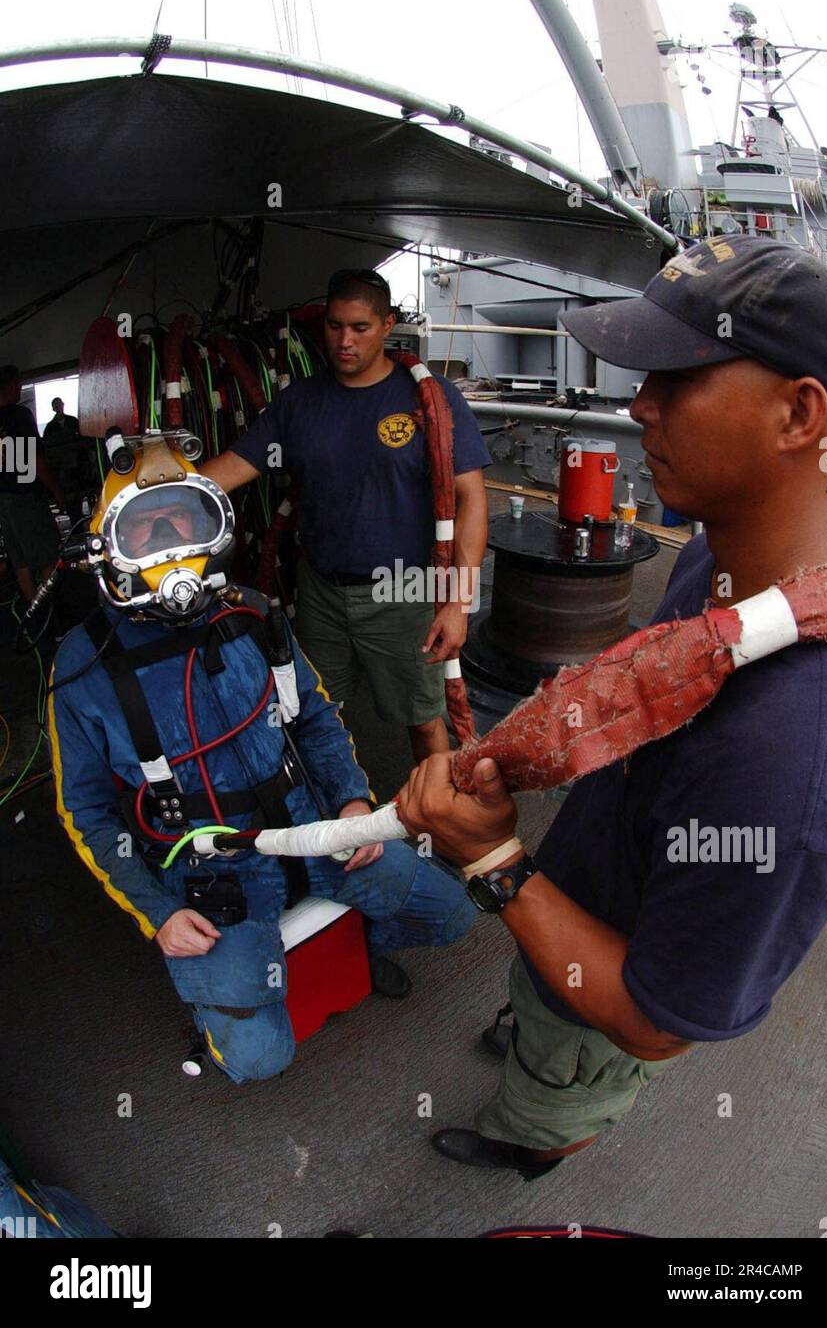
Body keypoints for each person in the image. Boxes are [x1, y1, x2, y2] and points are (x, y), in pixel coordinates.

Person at [395, 236, 827, 1179]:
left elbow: (653, 1025)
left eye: (675, 379)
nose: (638, 406)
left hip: (601, 986)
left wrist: (494, 864)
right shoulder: (717, 560)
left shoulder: (788, 763)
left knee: (563, 1076)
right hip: (581, 897)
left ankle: (534, 1144)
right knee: (540, 1012)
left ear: (799, 414)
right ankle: (532, 1033)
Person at [48, 431, 476, 1083]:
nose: (171, 546)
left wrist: (354, 803)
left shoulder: (250, 614)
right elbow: (86, 815)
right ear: (108, 548)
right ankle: (227, 1008)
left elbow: (316, 718)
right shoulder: (81, 668)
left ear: (211, 527)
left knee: (452, 913)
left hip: (313, 830)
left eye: (183, 522)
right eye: (148, 531)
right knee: (257, 1061)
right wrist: (156, 913)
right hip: (208, 875)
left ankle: (351, 945)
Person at [201, 269, 490, 763]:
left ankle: (441, 821)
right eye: (335, 327)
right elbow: (232, 468)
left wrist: (458, 604)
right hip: (322, 593)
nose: (345, 340)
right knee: (313, 710)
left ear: (387, 325)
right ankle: (327, 816)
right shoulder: (301, 404)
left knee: (423, 718)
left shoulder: (431, 399)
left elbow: (471, 500)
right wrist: (159, 496)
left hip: (404, 590)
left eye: (360, 327)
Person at [0, 365, 64, 604]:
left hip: (3, 498)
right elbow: (35, 462)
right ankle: (47, 610)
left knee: (20, 560)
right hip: (25, 494)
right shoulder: (19, 416)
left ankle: (33, 612)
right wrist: (57, 491)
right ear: (10, 386)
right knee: (49, 554)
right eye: (17, 384)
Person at [42, 397, 91, 529]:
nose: (59, 407)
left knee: (81, 499)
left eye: (60, 404)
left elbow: (84, 442)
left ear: (63, 405)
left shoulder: (73, 422)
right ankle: (77, 529)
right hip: (63, 473)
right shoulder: (50, 428)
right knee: (70, 504)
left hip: (78, 470)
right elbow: (48, 451)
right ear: (53, 408)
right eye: (56, 405)